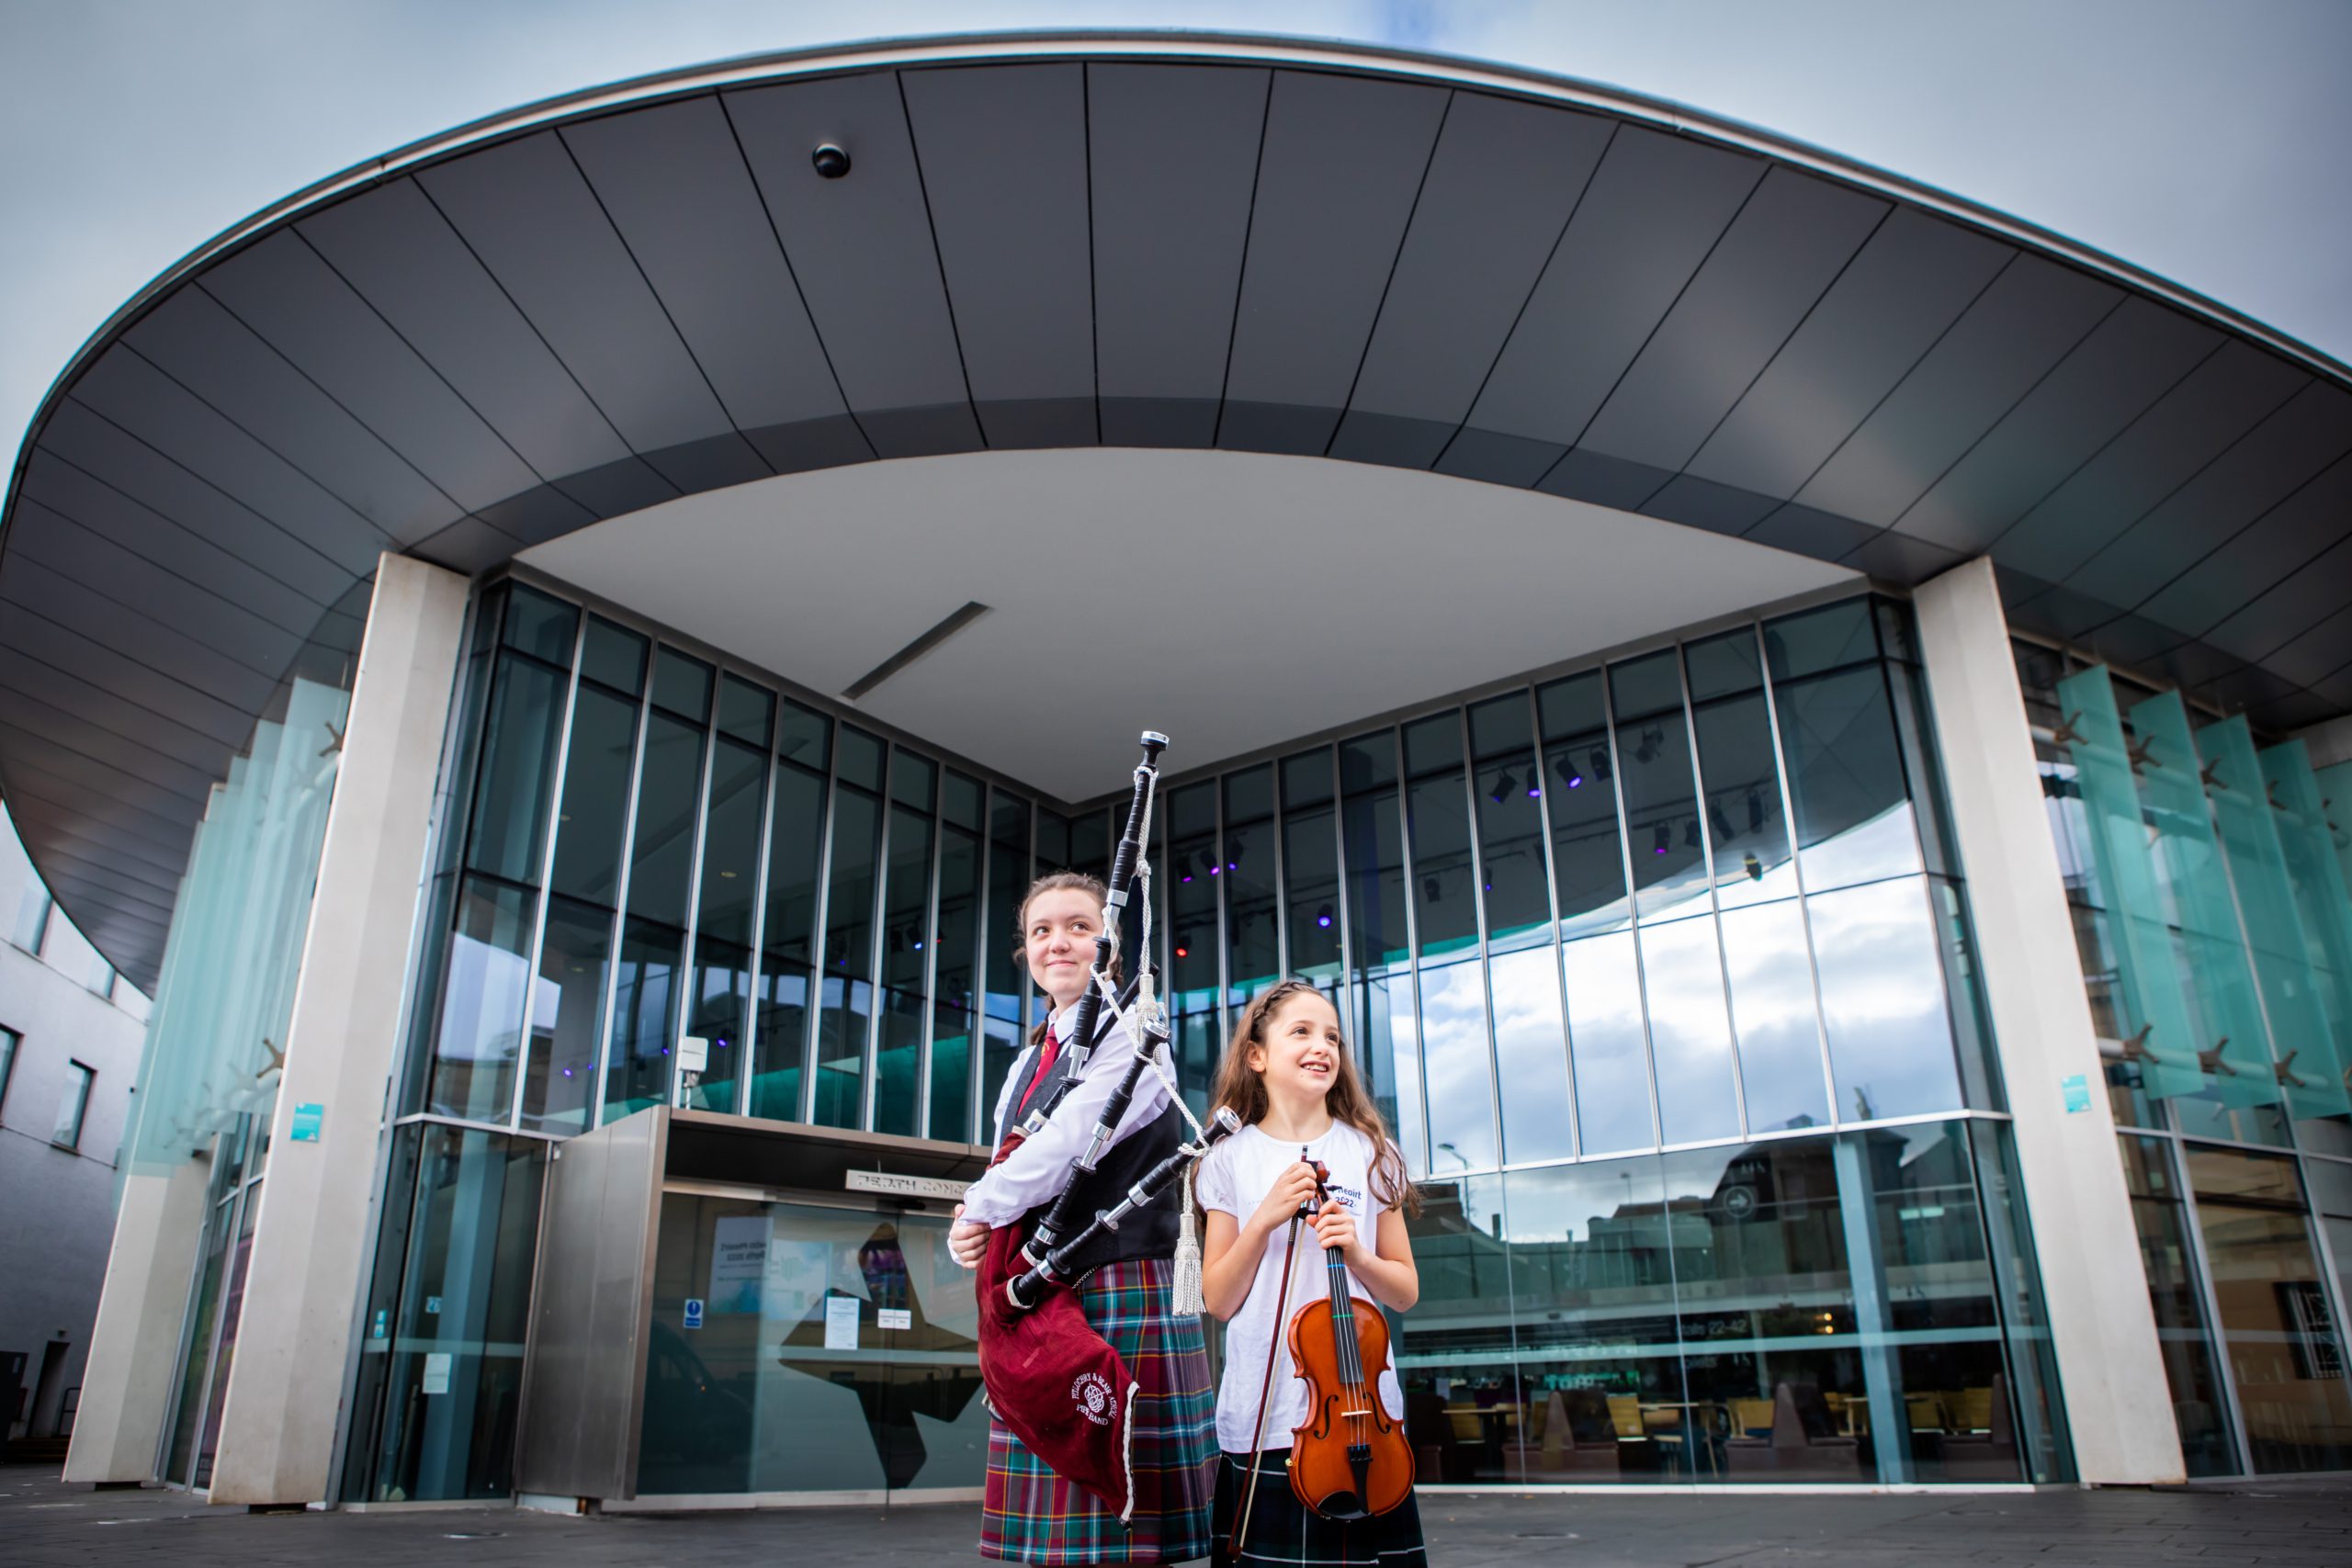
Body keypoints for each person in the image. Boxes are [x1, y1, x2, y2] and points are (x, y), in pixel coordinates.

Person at [948, 871, 1215, 1564]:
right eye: (1041, 930)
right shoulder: (1024, 1063)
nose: (1057, 942)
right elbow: (1006, 1170)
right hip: (1045, 1293)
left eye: (1077, 925)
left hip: (1117, 1281)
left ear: (1111, 942)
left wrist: (980, 1202)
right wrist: (968, 1225)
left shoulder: (1136, 1035)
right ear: (1026, 950)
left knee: (1123, 1541)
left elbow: (1069, 1143)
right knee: (1058, 1547)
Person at [1193, 978, 1427, 1568]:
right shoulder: (1227, 1158)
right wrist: (1265, 1218)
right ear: (1257, 1055)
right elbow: (1219, 1300)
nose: (1322, 1045)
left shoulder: (1372, 1152)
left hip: (1363, 1426)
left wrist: (1360, 1256)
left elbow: (1404, 1292)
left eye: (1333, 1037)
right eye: (1301, 1031)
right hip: (1265, 1418)